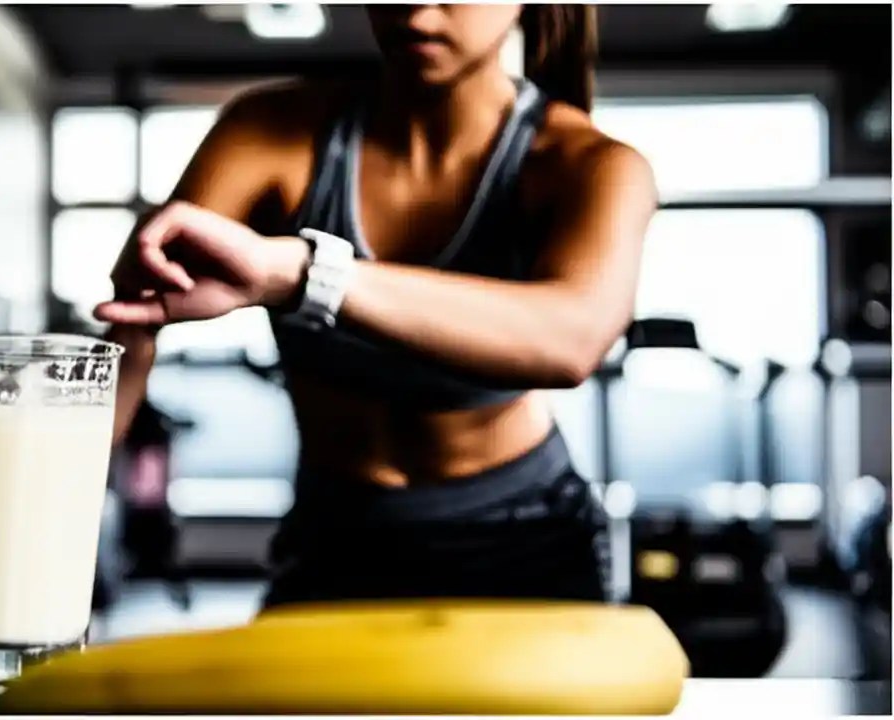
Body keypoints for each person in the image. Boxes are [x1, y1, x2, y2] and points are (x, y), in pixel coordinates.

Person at [96, 4, 657, 607]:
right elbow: (131, 329)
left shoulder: (590, 165)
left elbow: (572, 338)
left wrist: (305, 273)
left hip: (520, 536)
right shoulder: (268, 131)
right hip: (330, 535)